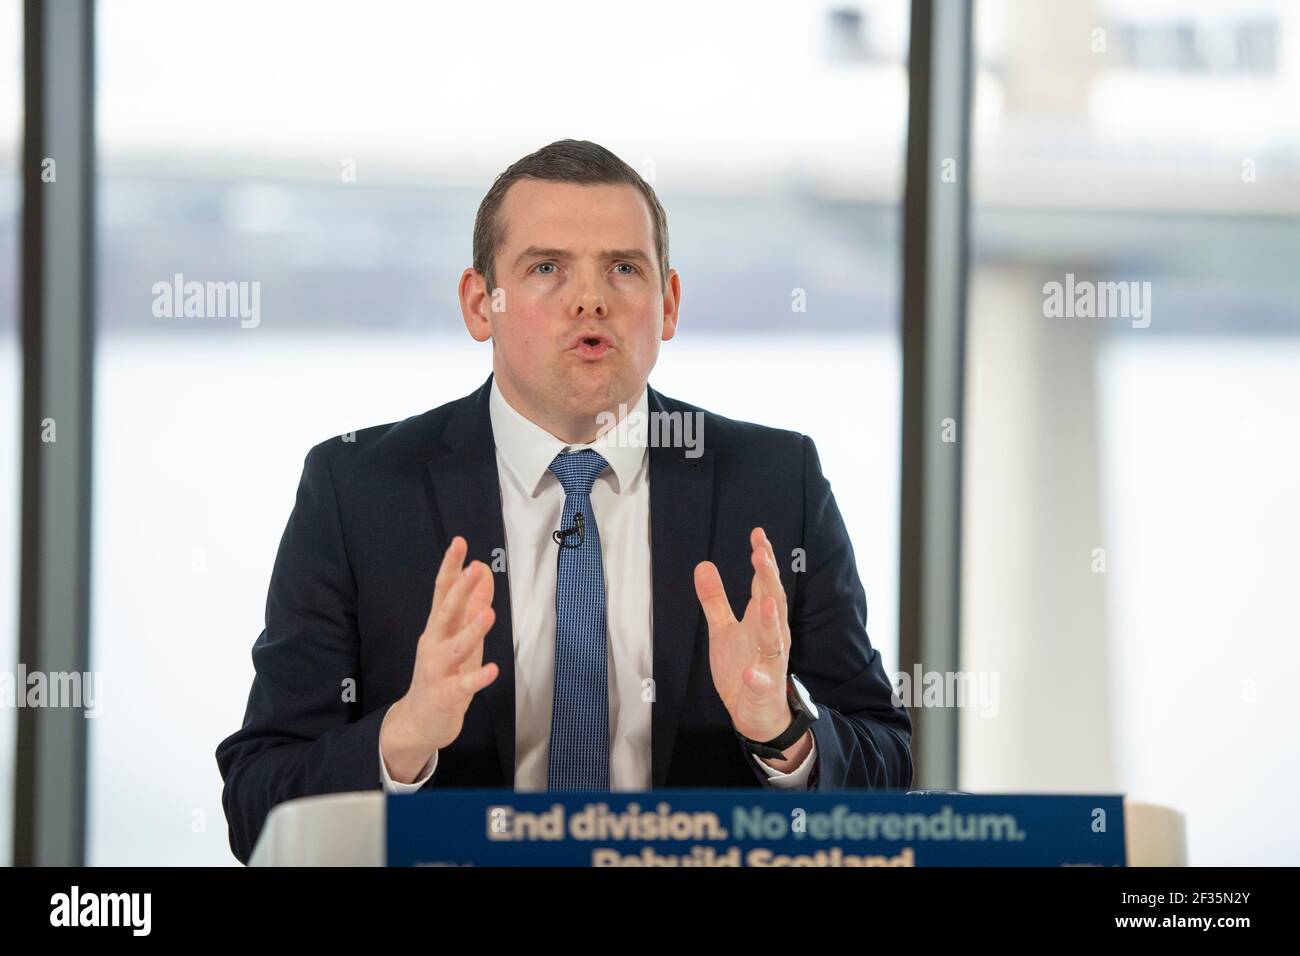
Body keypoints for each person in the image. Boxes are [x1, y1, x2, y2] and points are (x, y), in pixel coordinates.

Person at [216, 139, 912, 865]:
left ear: (667, 305)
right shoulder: (354, 490)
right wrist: (406, 734)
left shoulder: (774, 480)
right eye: (546, 268)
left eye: (623, 268)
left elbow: (888, 763)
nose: (591, 298)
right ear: (480, 303)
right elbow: (257, 803)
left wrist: (783, 732)